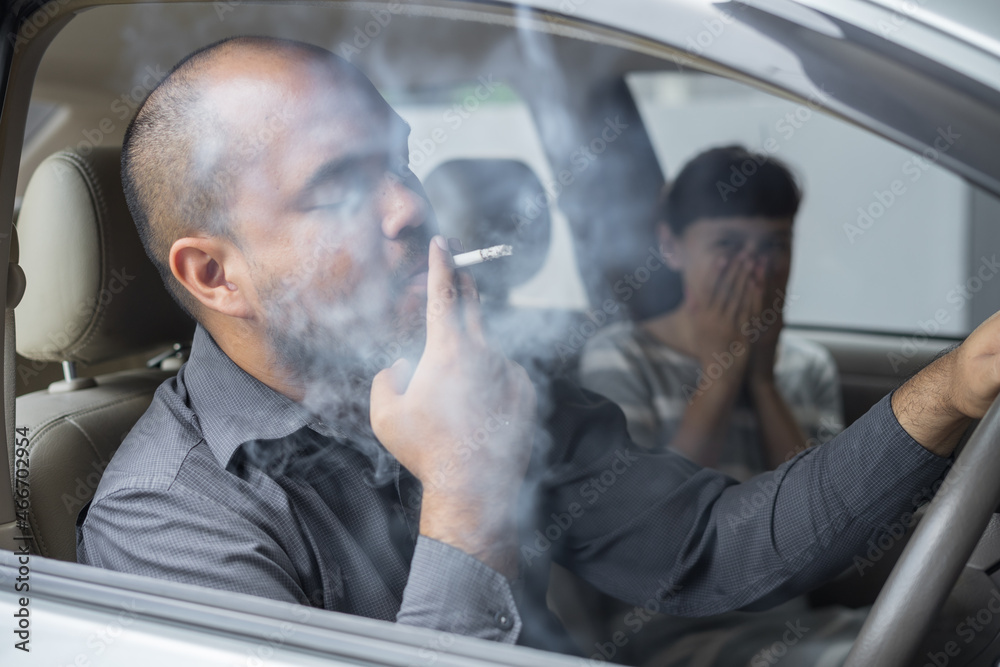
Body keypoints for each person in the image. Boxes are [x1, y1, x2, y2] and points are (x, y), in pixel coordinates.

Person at [75, 36, 1000, 658]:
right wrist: (467, 484)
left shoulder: (460, 369)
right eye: (338, 187)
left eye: (399, 160)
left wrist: (954, 389)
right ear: (214, 275)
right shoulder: (165, 519)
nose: (409, 205)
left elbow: (714, 548)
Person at [580, 145, 841, 482]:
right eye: (727, 245)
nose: (755, 272)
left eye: (774, 246)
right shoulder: (621, 357)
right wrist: (721, 375)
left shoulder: (810, 366)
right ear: (672, 247)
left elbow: (825, 508)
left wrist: (763, 383)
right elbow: (649, 512)